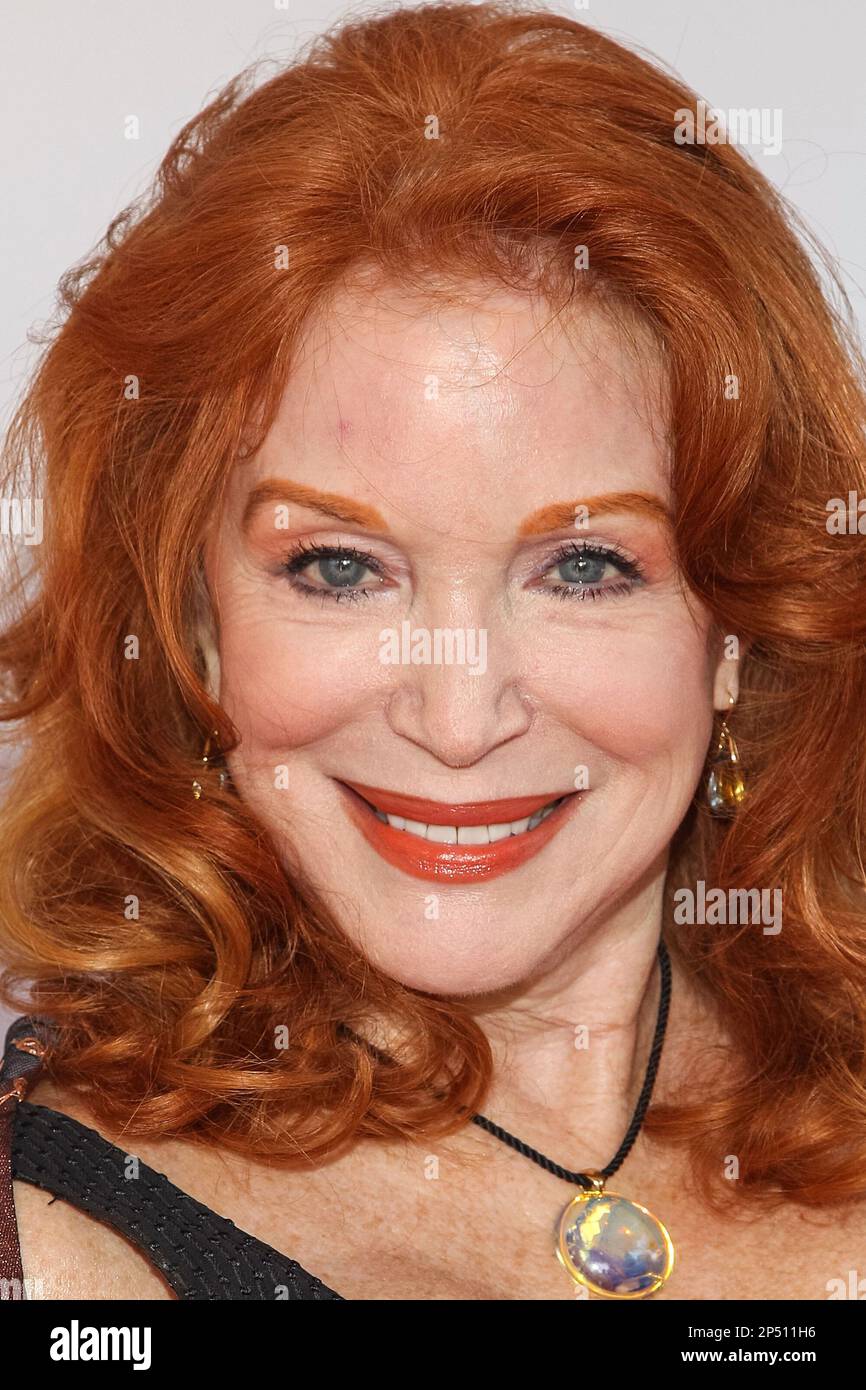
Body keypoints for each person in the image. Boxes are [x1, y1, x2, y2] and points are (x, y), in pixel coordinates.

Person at [1, 1, 865, 1302]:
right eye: (337, 567)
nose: (459, 718)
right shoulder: (59, 1250)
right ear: (193, 623)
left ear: (744, 621)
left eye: (582, 568)